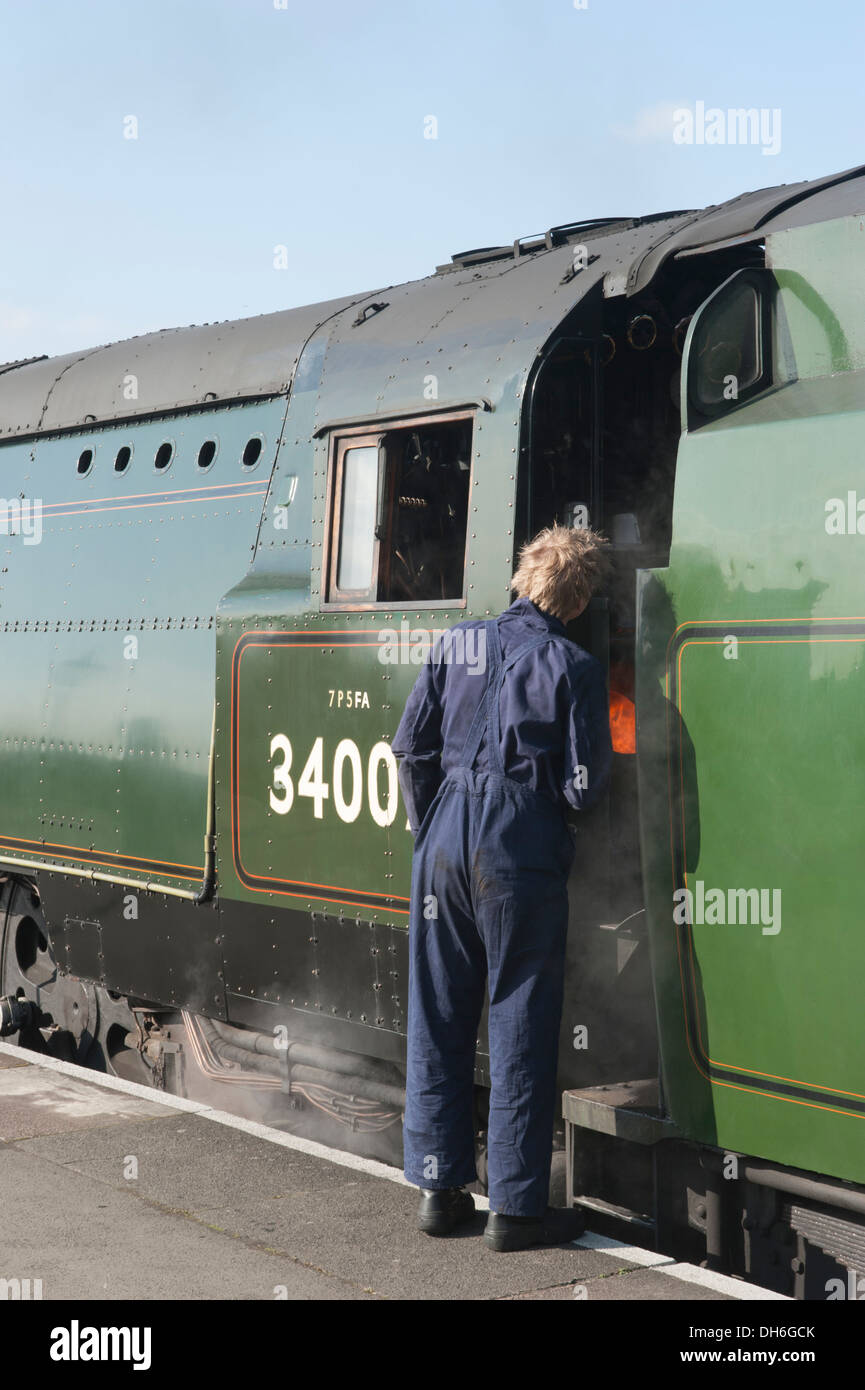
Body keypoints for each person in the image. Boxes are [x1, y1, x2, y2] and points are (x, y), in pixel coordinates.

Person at [392, 524, 613, 1252]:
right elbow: (582, 790)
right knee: (519, 1012)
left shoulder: (457, 643)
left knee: (439, 1010)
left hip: (442, 840)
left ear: (523, 576)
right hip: (517, 847)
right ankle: (515, 1210)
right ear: (576, 599)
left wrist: (433, 833)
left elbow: (410, 747)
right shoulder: (573, 667)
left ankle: (438, 1190)